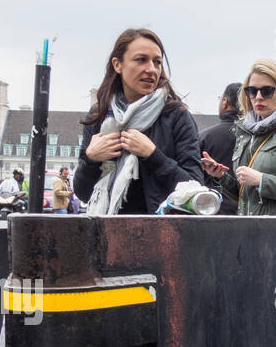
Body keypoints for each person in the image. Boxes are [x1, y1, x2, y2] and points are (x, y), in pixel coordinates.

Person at [74, 27, 202, 215]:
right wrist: (91, 159)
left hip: (162, 235)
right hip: (109, 233)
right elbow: (83, 193)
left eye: (157, 62)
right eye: (141, 60)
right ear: (118, 65)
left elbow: (194, 187)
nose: (151, 69)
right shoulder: (99, 115)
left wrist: (153, 155)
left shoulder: (176, 115)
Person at [202, 59, 276, 217]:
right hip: (251, 231)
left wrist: (262, 180)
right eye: (252, 91)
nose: (258, 97)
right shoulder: (247, 131)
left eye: (266, 91)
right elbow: (245, 194)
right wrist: (220, 176)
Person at [200, 82, 241, 215]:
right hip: (247, 211)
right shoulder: (255, 138)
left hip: (210, 209)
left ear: (225, 102)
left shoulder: (204, 136)